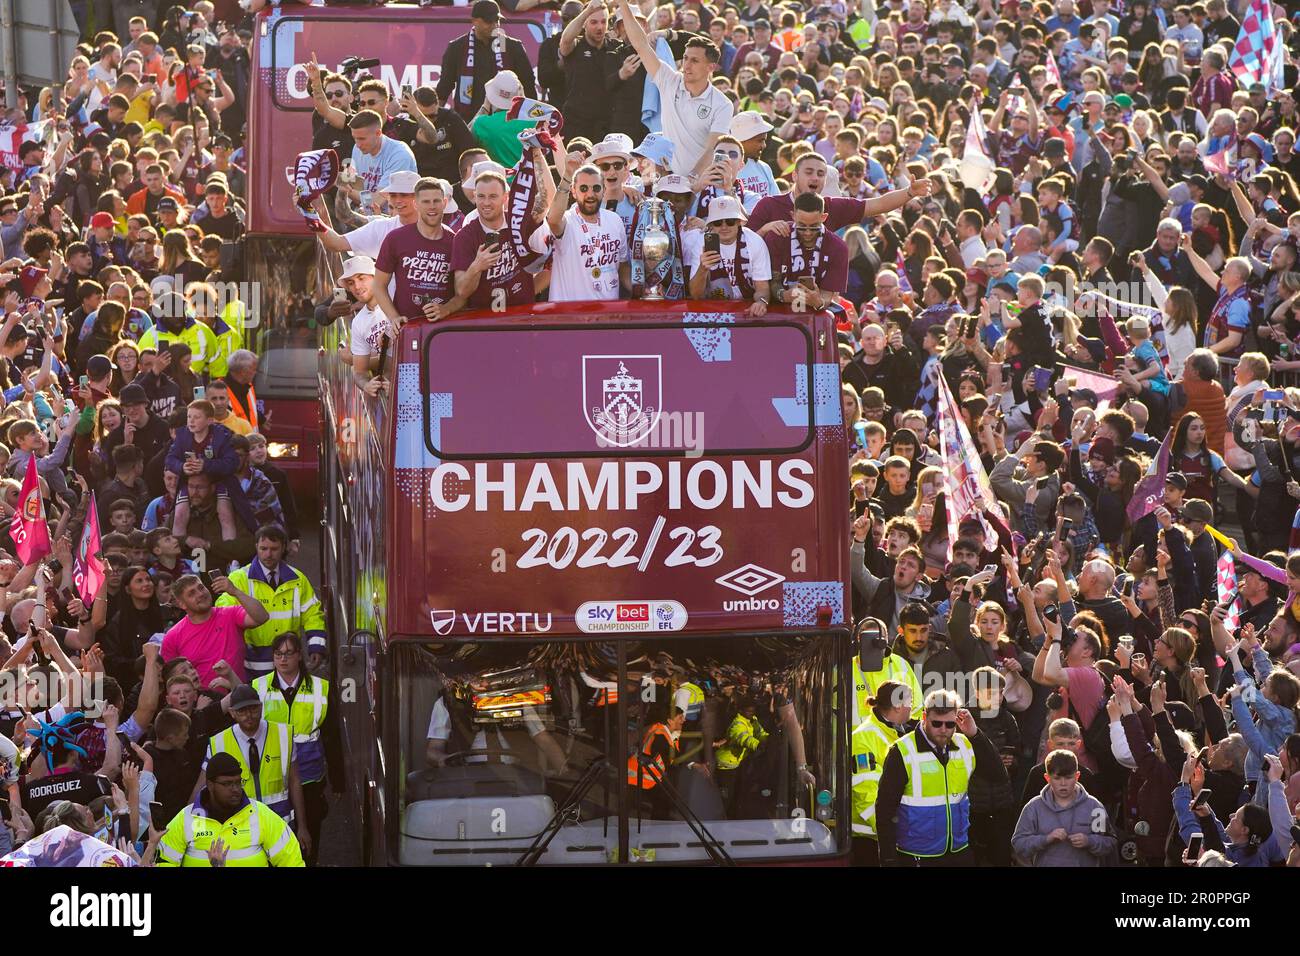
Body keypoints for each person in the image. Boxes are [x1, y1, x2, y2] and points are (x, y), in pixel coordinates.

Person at [874, 689, 1009, 866]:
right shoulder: (902, 750)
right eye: (937, 723)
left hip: (959, 851)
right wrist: (889, 859)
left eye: (950, 724)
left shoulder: (964, 744)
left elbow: (998, 775)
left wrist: (975, 734)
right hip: (916, 855)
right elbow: (884, 809)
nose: (944, 730)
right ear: (924, 717)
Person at [252, 633, 329, 866]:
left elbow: (332, 735)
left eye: (288, 654)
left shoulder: (320, 688)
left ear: (299, 656)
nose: (283, 659)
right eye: (278, 654)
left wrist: (340, 780)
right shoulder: (259, 686)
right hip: (274, 775)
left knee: (309, 831)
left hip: (309, 775)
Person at [156, 750, 304, 867]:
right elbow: (164, 862)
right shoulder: (187, 818)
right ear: (210, 784)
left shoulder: (260, 814)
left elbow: (291, 860)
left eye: (238, 782)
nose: (235, 789)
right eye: (227, 784)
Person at [216, 524, 326, 679]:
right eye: (263, 549)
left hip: (290, 660)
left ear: (284, 548)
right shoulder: (239, 579)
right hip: (253, 662)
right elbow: (224, 613)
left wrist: (317, 646)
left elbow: (313, 615)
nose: (268, 554)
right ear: (256, 547)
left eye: (274, 549)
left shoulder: (298, 579)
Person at [532, 150, 629, 302]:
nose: (590, 194)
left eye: (596, 188)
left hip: (608, 315)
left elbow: (622, 266)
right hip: (572, 319)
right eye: (583, 189)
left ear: (603, 190)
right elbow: (553, 220)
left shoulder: (615, 221)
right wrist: (567, 175)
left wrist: (643, 291)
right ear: (573, 191)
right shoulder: (568, 221)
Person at [160, 572, 270, 689]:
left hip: (238, 699)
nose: (200, 594)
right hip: (202, 704)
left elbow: (262, 617)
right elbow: (171, 681)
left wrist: (235, 591)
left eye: (201, 587)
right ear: (182, 604)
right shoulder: (172, 637)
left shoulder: (231, 614)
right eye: (192, 593)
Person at [1011, 749, 1116, 866]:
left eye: (1068, 778)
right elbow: (1018, 844)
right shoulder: (1034, 807)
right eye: (1057, 778)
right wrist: (1046, 839)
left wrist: (1089, 841)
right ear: (1047, 778)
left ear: (1077, 776)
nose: (1063, 783)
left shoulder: (1094, 807)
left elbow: (1109, 843)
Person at [849, 680, 913, 865]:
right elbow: (865, 793)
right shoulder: (863, 738)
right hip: (870, 839)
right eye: (910, 702)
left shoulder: (898, 733)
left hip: (894, 833)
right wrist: (887, 832)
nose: (913, 707)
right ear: (898, 706)